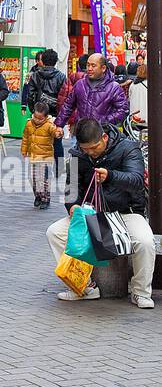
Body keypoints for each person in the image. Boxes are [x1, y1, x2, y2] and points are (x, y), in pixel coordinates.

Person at [46, 117, 154, 309]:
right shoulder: (78, 153)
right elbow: (71, 189)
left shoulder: (128, 148)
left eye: (94, 148)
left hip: (126, 213)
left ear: (104, 137)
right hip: (93, 214)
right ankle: (85, 287)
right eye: (85, 149)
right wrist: (73, 206)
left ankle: (140, 292)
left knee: (145, 240)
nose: (91, 153)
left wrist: (111, 176)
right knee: (55, 232)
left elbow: (137, 180)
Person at [57, 51, 128, 131]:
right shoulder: (80, 84)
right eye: (88, 65)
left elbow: (123, 110)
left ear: (103, 68)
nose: (89, 68)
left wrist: (105, 121)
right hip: (81, 133)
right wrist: (59, 125)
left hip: (102, 134)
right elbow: (68, 105)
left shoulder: (114, 87)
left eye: (93, 66)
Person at [25, 48, 67, 174]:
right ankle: (59, 168)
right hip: (55, 114)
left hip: (39, 113)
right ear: (55, 61)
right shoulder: (61, 76)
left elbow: (30, 95)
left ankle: (44, 169)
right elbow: (64, 98)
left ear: (42, 60)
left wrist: (34, 111)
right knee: (57, 141)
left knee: (41, 142)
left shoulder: (35, 75)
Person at [21, 102, 62, 209]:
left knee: (44, 180)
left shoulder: (49, 125)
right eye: (35, 117)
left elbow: (55, 132)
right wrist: (24, 150)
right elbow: (25, 138)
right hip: (34, 156)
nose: (37, 120)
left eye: (40, 118)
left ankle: (45, 199)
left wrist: (58, 133)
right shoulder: (29, 123)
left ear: (46, 117)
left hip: (46, 157)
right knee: (33, 178)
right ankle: (38, 196)